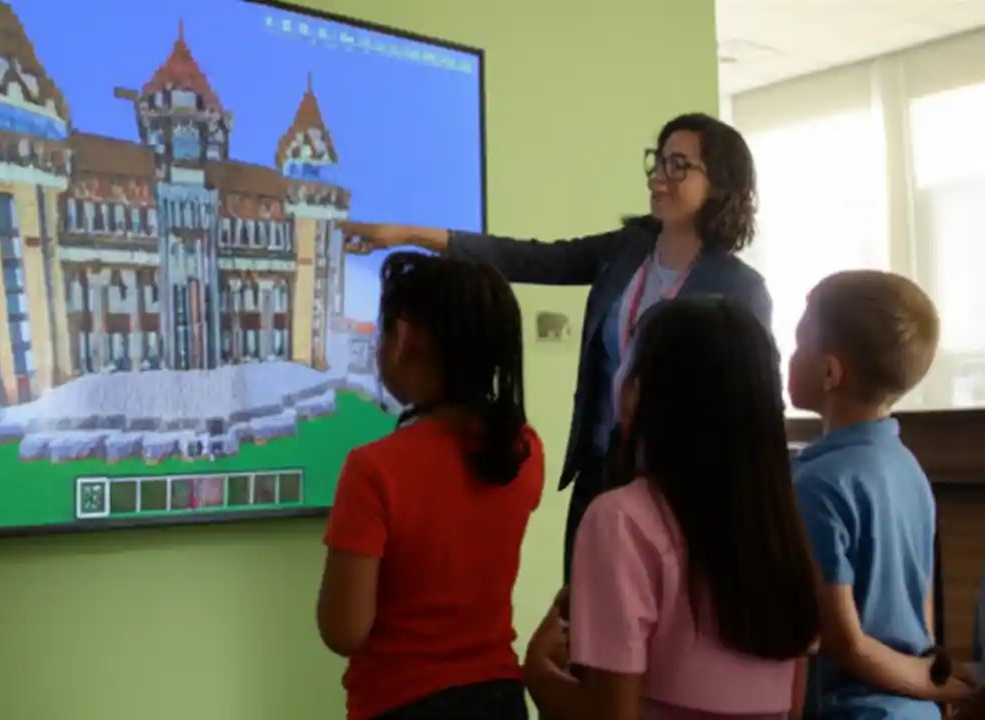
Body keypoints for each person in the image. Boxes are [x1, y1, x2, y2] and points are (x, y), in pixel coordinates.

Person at [341, 112, 772, 582]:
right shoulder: (628, 250)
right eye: (657, 161)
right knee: (584, 617)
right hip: (599, 469)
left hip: (682, 483)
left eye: (678, 166)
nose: (658, 177)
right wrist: (407, 235)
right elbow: (533, 258)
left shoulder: (739, 288)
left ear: (721, 182)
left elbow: (752, 406)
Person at [522, 296, 819, 719]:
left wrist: (538, 671)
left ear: (637, 394)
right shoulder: (779, 528)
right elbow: (793, 707)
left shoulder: (621, 520)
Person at [316, 252, 545, 720]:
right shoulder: (525, 450)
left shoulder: (374, 469)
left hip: (400, 706)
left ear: (401, 338)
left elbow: (344, 630)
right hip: (500, 701)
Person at [788, 270, 975, 717]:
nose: (790, 356)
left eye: (799, 343)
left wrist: (941, 690)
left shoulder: (817, 486)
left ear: (830, 371)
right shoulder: (908, 469)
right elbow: (922, 619)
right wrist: (932, 689)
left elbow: (843, 643)